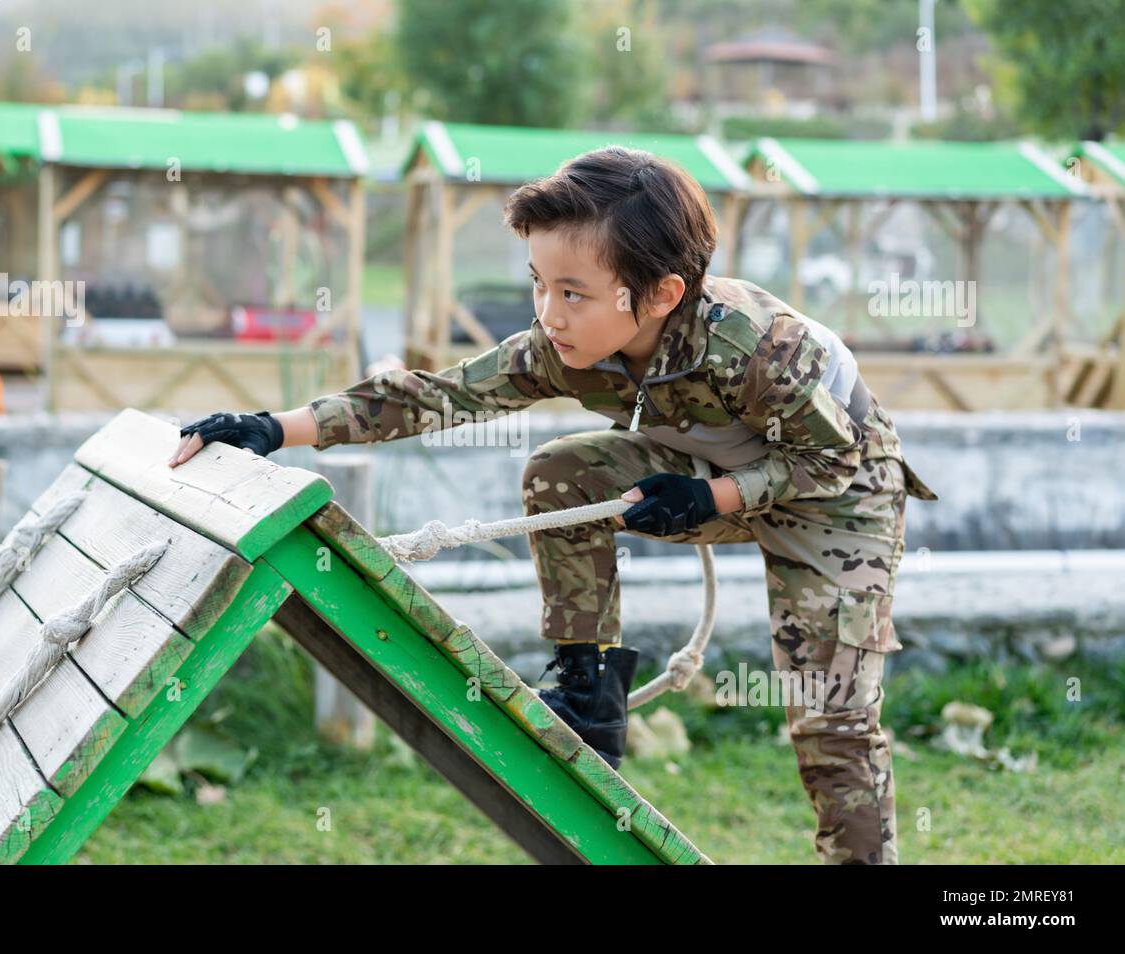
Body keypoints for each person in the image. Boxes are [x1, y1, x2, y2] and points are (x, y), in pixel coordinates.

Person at [169, 145, 938, 864]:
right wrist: (273, 428)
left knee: (831, 721)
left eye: (573, 292)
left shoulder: (755, 346)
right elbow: (439, 396)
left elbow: (834, 457)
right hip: (708, 471)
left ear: (663, 293)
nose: (549, 312)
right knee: (560, 471)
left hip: (838, 492)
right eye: (538, 283)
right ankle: (588, 690)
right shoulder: (561, 345)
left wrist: (713, 496)